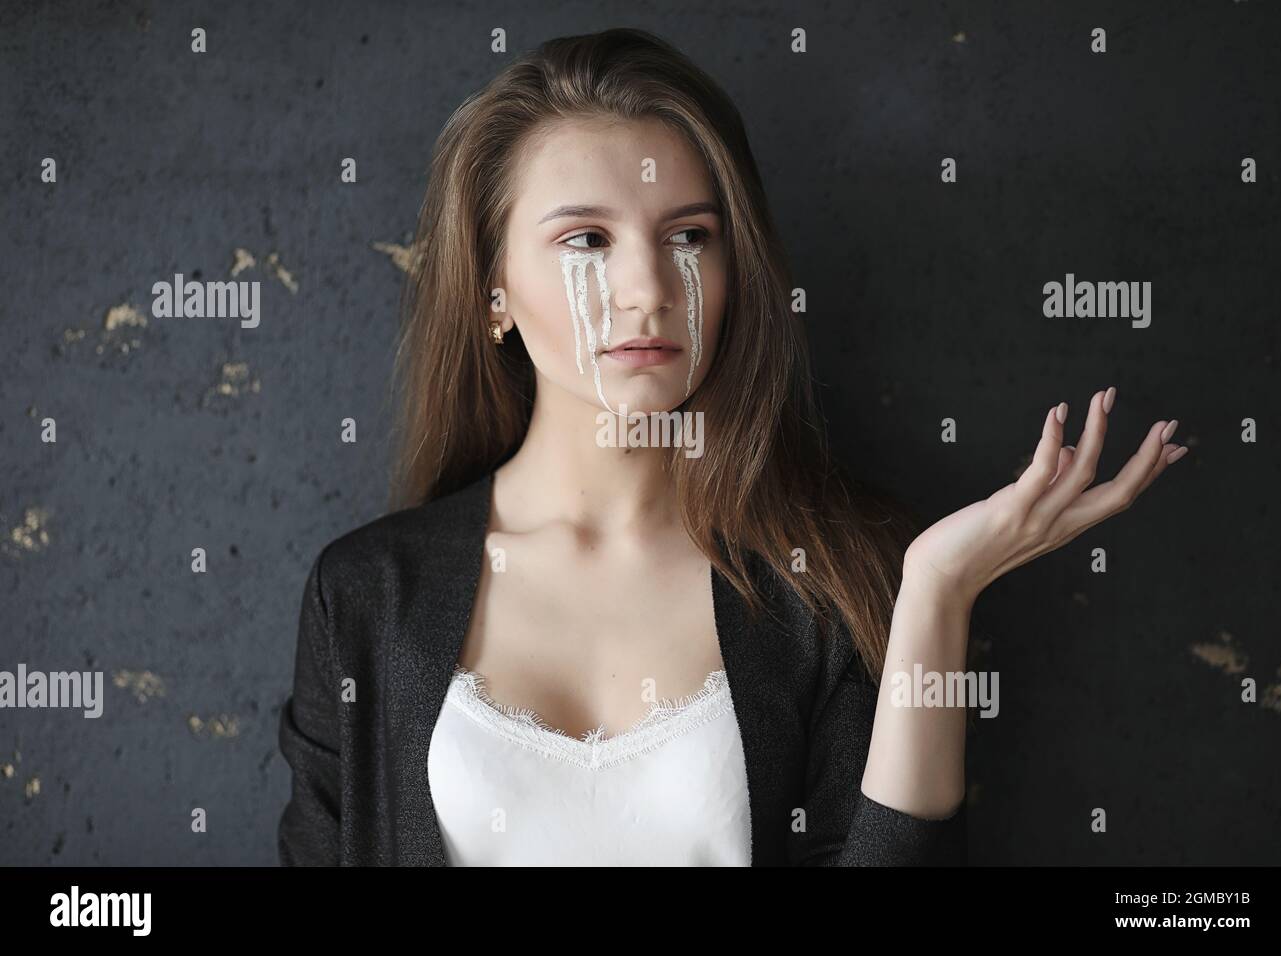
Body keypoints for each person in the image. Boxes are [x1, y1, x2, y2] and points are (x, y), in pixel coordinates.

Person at [276, 27, 1187, 866]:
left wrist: (935, 596)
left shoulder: (824, 581)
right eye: (586, 239)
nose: (646, 288)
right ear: (492, 292)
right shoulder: (364, 598)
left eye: (689, 236)